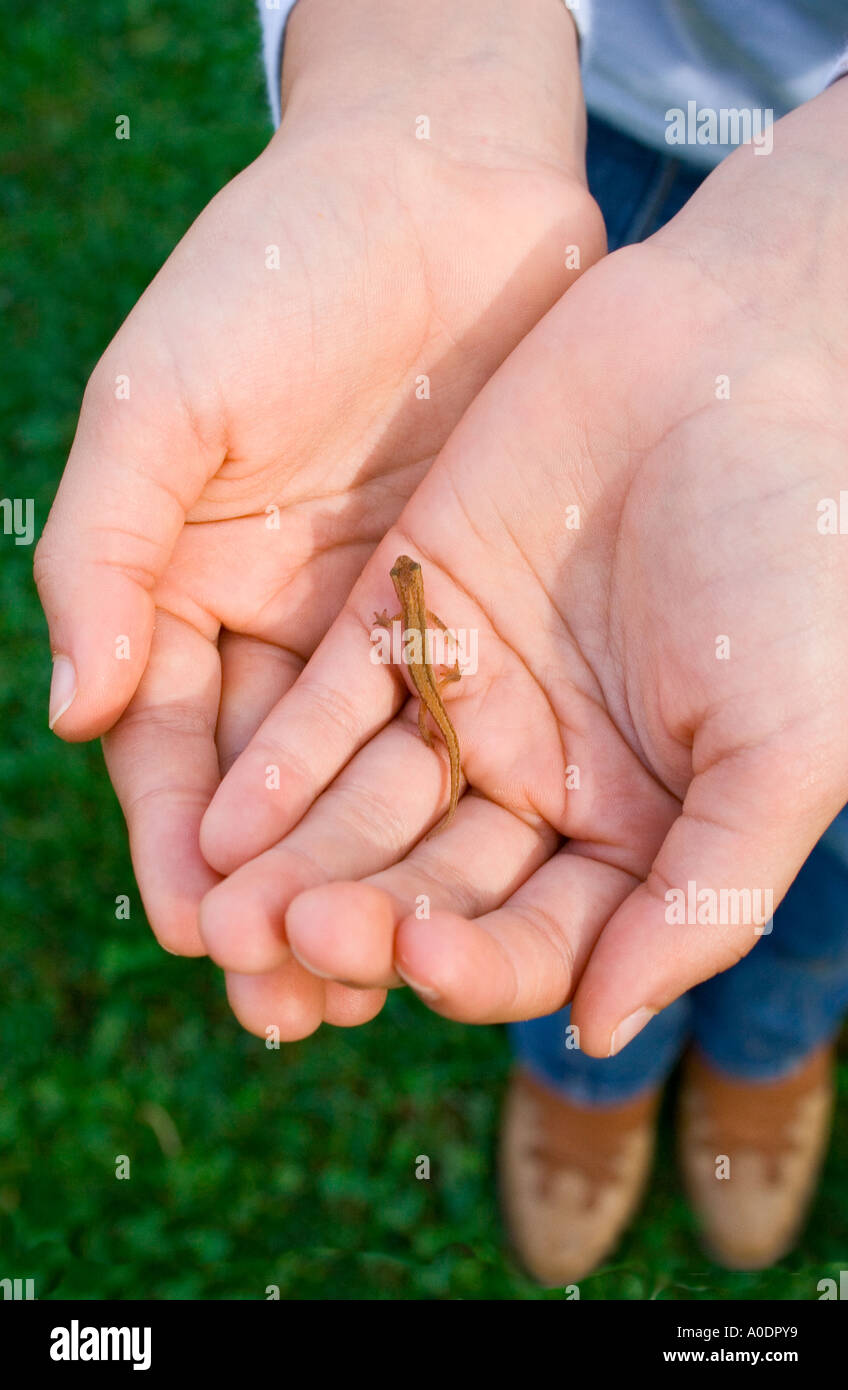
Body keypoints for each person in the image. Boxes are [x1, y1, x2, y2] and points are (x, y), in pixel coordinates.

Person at [36, 0, 848, 1283]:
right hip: (584, 119)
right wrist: (412, 70)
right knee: (587, 841)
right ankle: (598, 1072)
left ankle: (775, 1040)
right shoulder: (426, 626)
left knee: (800, 826)